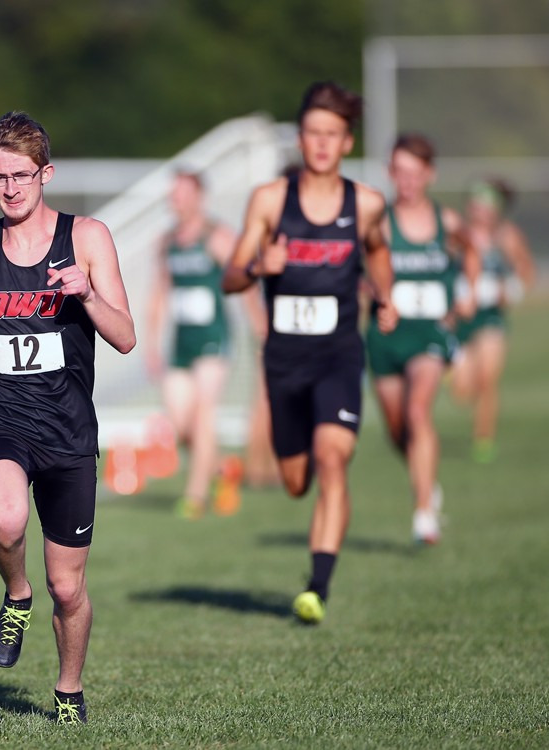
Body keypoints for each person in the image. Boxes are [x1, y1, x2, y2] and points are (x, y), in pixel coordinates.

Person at [0, 112, 134, 724]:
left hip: (69, 429)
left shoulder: (88, 238)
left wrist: (87, 293)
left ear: (45, 174)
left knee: (69, 588)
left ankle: (68, 691)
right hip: (4, 415)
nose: (9, 189)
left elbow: (125, 336)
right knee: (6, 521)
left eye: (20, 176)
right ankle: (15, 593)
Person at [221, 81, 398, 625]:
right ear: (300, 138)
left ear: (347, 142)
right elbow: (231, 276)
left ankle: (317, 588)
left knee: (333, 460)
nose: (322, 143)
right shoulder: (271, 200)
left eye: (332, 134)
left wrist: (386, 298)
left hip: (338, 355)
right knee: (297, 482)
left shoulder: (366, 203)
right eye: (313, 133)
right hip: (284, 363)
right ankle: (320, 487)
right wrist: (260, 268)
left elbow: (378, 251)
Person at [365, 134, 480, 544]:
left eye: (415, 173)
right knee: (397, 430)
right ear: (389, 173)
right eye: (400, 172)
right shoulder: (377, 223)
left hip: (429, 332)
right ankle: (426, 481)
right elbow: (360, 271)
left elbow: (472, 252)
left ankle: (424, 512)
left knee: (417, 413)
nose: (408, 181)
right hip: (385, 335)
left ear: (430, 174)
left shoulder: (446, 221)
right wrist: (372, 294)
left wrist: (467, 292)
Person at [145, 171, 245, 518]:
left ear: (199, 196)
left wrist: (261, 326)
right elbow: (159, 294)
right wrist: (151, 345)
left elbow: (245, 283)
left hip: (213, 341)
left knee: (204, 415)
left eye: (183, 193)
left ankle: (196, 496)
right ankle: (223, 469)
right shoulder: (166, 242)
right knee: (181, 423)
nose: (176, 200)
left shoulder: (217, 237)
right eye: (173, 194)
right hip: (181, 344)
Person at [450, 178, 535, 463]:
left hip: (490, 316)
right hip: (461, 317)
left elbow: (526, 270)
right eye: (476, 204)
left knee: (488, 379)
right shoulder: (457, 234)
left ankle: (483, 440)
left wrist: (509, 291)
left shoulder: (506, 236)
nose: (480, 210)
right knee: (462, 391)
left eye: (486, 205)